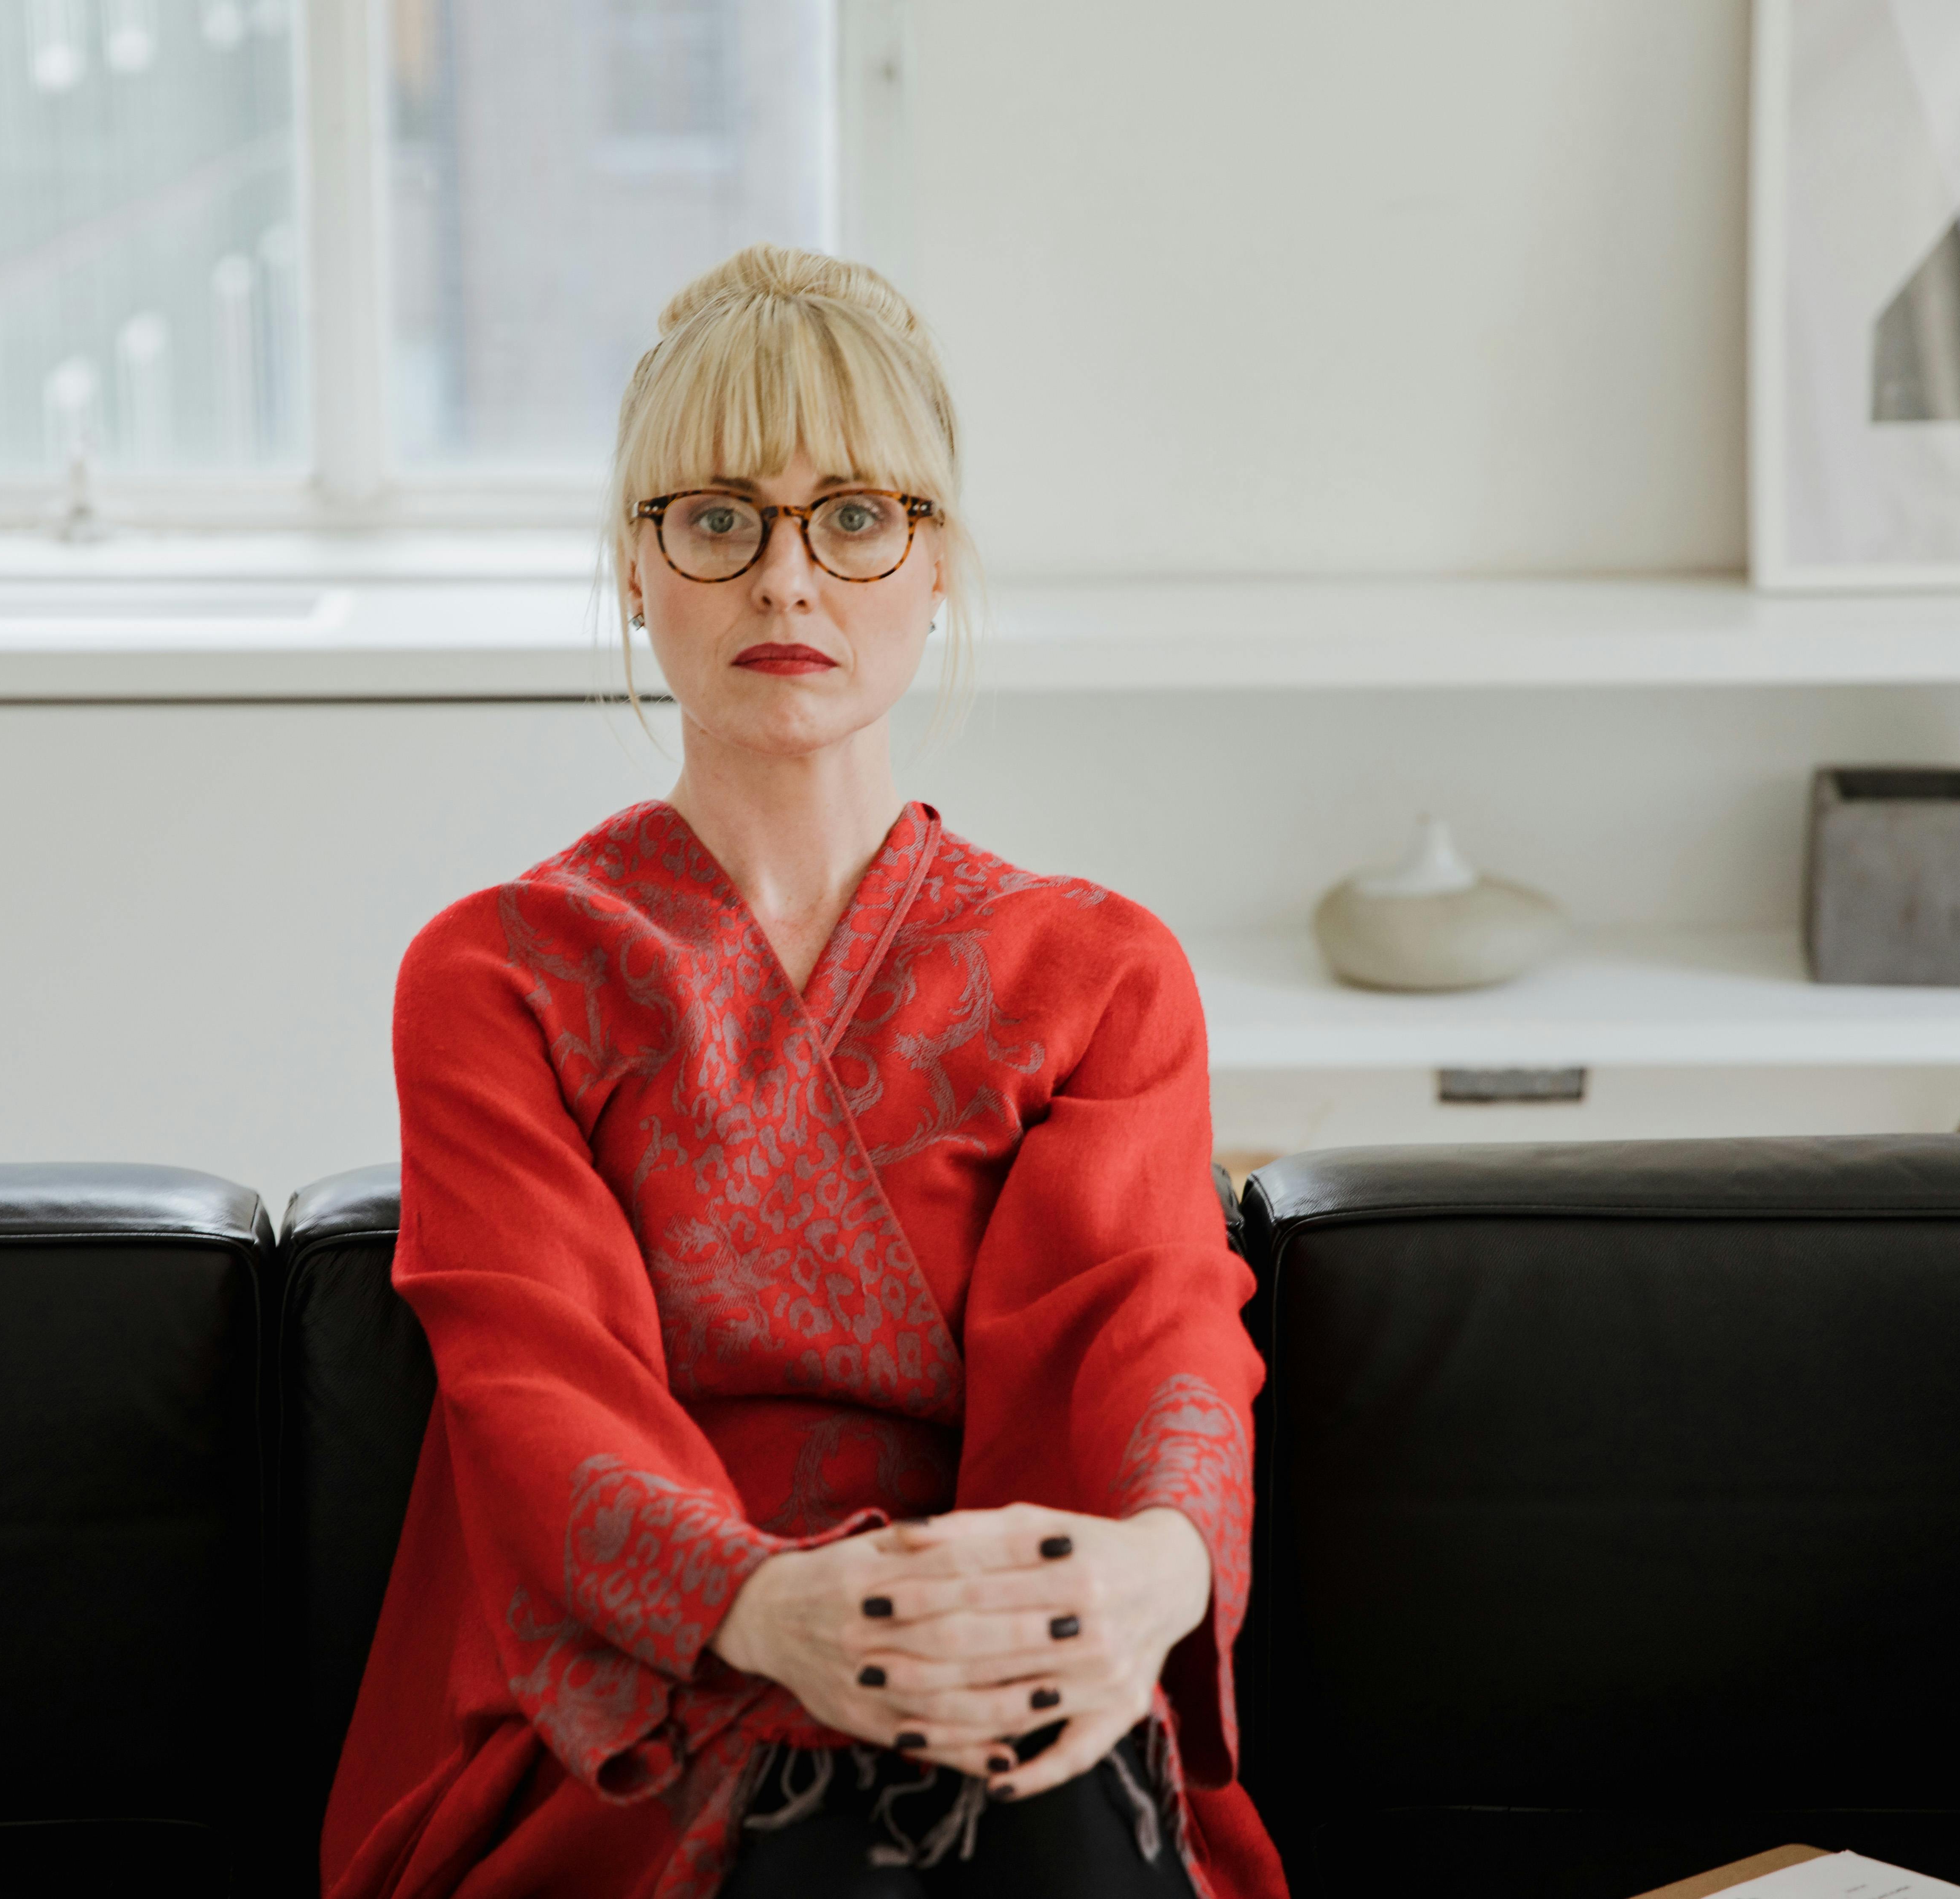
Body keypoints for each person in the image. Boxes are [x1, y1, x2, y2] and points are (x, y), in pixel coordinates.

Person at [320, 244, 1281, 1899]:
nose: (788, 580)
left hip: (1002, 1665)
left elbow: (1150, 1330)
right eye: (718, 520)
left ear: (937, 564)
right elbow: (535, 1389)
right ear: (638, 570)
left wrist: (1150, 1568)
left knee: (1048, 1793)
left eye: (854, 516)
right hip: (637, 1698)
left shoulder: (1100, 976)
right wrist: (770, 1611)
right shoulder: (495, 978)